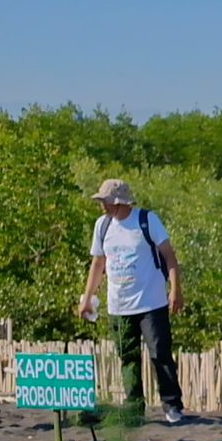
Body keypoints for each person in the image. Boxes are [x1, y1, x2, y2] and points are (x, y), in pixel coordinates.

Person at [77, 179, 187, 424]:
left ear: (119, 202)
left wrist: (175, 290)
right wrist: (87, 298)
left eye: (105, 201)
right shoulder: (102, 226)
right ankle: (134, 406)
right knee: (127, 355)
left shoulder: (147, 221)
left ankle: (172, 404)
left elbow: (169, 255)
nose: (102, 206)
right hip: (119, 305)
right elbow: (98, 263)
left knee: (160, 353)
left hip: (152, 303)